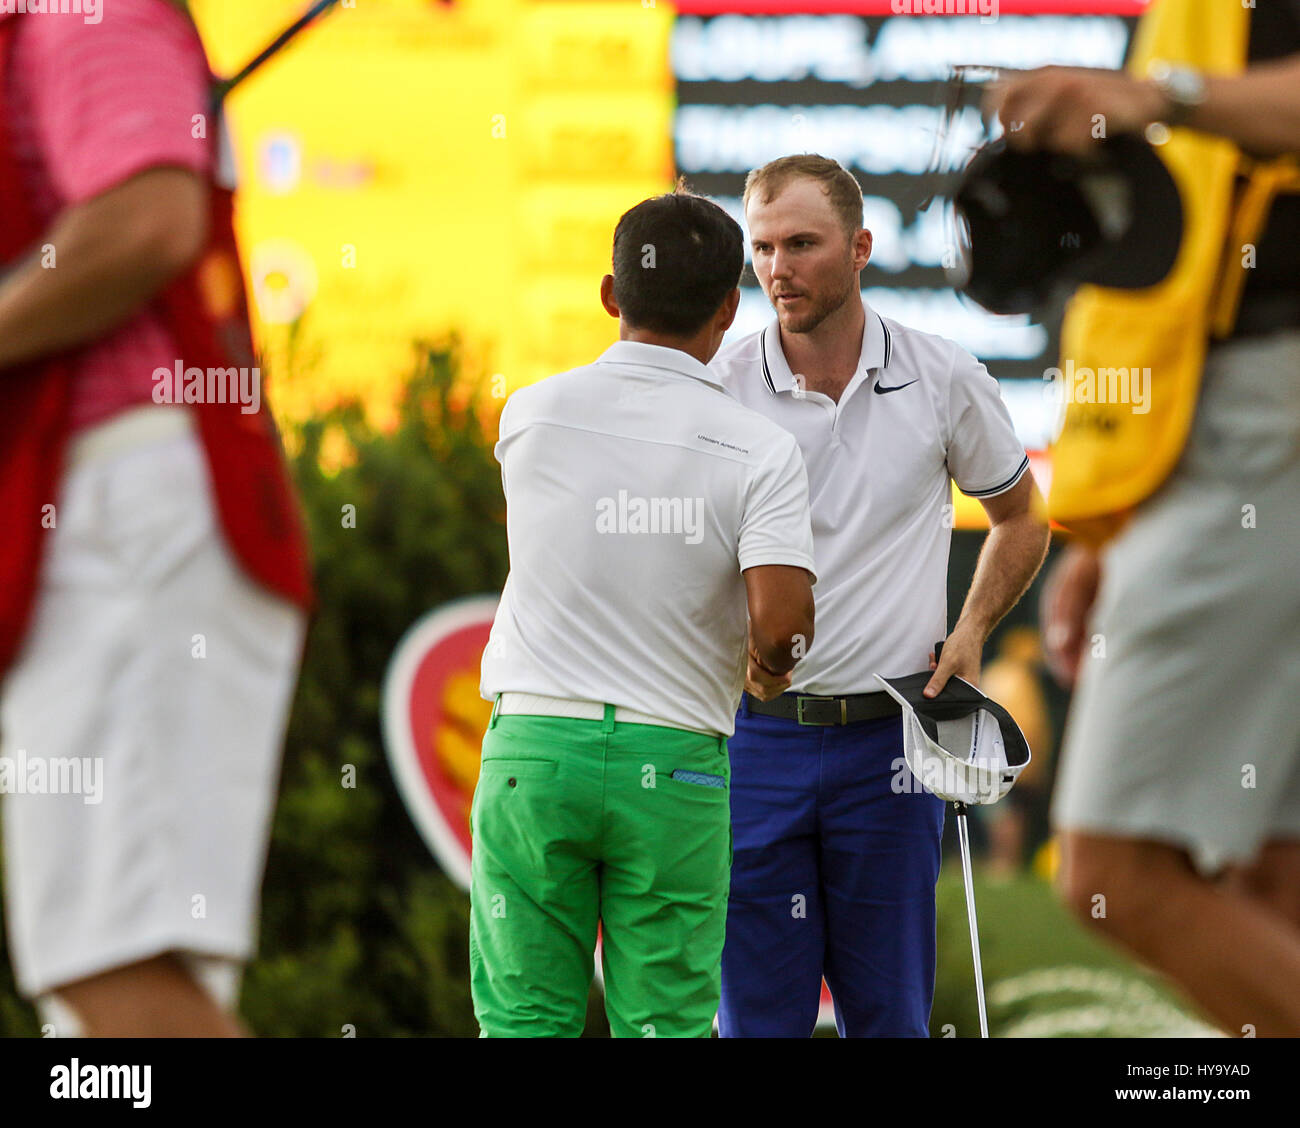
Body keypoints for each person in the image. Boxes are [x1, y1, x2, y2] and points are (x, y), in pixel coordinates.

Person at [0, 0, 312, 1036]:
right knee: (105, 1002)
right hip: (123, 516)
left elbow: (147, 219)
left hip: (130, 510)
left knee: (109, 974)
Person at [992, 0, 1300, 1035]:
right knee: (1268, 876)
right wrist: (1123, 517)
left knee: (1115, 874)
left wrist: (1159, 97)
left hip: (1261, 413)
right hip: (1225, 427)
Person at [710, 154, 1050, 1038]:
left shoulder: (943, 375)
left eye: (802, 244)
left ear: (860, 248)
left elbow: (1021, 517)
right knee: (754, 1026)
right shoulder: (720, 387)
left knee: (891, 1020)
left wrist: (971, 632)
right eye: (763, 247)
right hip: (753, 743)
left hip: (891, 751)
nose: (777, 268)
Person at [471, 187, 818, 1038]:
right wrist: (767, 670)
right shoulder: (762, 449)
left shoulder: (529, 415)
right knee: (665, 1024)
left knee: (522, 1022)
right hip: (675, 764)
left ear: (609, 295)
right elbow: (783, 625)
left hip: (533, 751)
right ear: (729, 308)